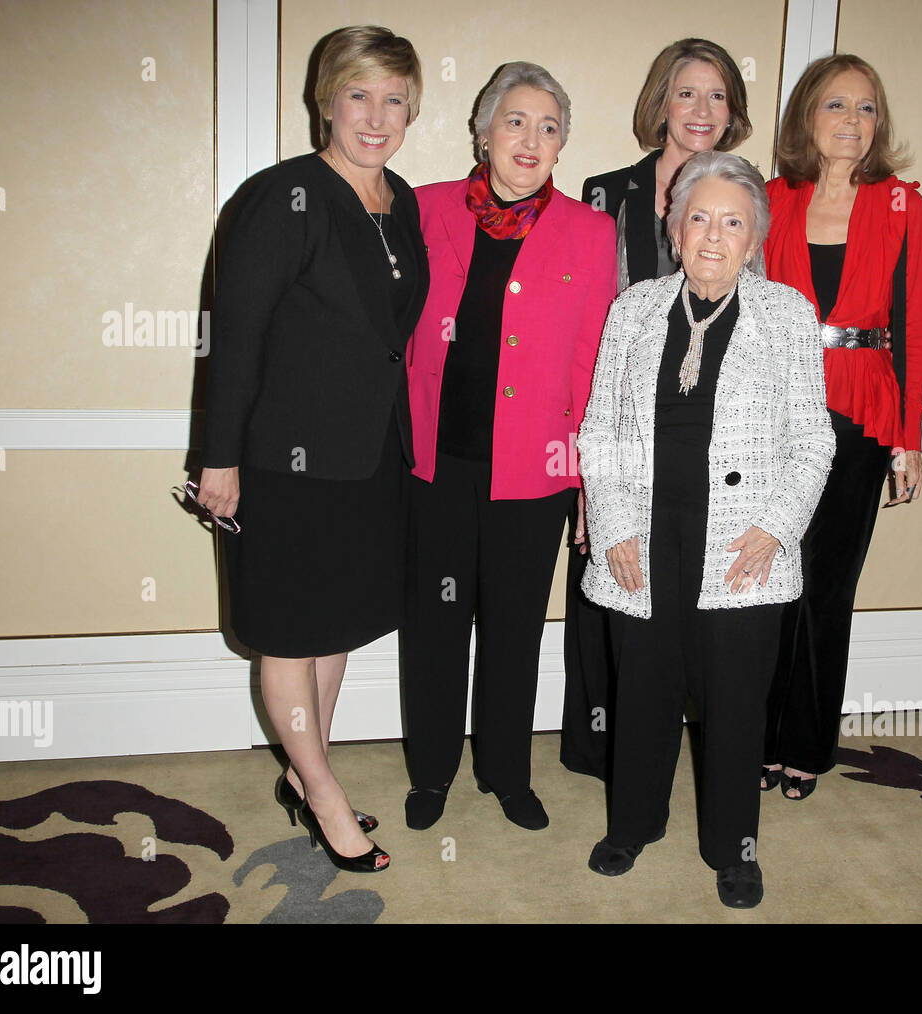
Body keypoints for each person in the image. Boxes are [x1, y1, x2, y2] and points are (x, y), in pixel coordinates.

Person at [197, 26, 428, 874]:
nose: (376, 116)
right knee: (290, 635)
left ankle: (307, 770)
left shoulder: (398, 200)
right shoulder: (280, 198)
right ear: (325, 101)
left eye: (394, 98)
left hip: (369, 459)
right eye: (359, 95)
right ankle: (325, 797)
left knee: (334, 627)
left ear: (413, 109)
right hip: (283, 459)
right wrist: (218, 459)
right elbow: (237, 339)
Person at [578, 151, 835, 908]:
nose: (714, 237)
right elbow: (598, 428)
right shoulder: (633, 308)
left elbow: (814, 441)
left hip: (741, 544)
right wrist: (616, 522)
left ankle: (735, 848)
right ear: (674, 225)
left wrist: (778, 527)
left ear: (755, 236)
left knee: (733, 703)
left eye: (733, 222)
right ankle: (632, 823)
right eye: (699, 218)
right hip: (646, 535)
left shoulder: (788, 315)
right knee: (644, 691)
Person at [401, 62, 616, 832]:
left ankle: (505, 772)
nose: (531, 140)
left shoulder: (592, 234)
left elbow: (594, 363)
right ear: (483, 130)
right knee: (435, 625)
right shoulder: (419, 210)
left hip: (538, 471)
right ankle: (431, 773)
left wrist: (593, 482)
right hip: (437, 464)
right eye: (516, 121)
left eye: (549, 127)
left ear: (561, 147)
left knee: (516, 627)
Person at [561, 38, 753, 782]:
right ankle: (602, 749)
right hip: (619, 420)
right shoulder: (607, 192)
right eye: (686, 93)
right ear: (660, 104)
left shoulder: (744, 191)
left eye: (717, 96)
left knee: (702, 599)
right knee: (608, 579)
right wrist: (588, 478)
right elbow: (587, 321)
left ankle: (692, 750)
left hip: (709, 430)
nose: (701, 110)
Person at [760, 54, 922, 800]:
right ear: (808, 116)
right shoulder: (771, 197)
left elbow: (912, 325)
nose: (852, 123)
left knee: (827, 587)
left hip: (861, 409)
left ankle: (806, 746)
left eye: (866, 109)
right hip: (775, 408)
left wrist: (910, 435)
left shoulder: (901, 204)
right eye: (837, 106)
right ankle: (756, 735)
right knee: (764, 579)